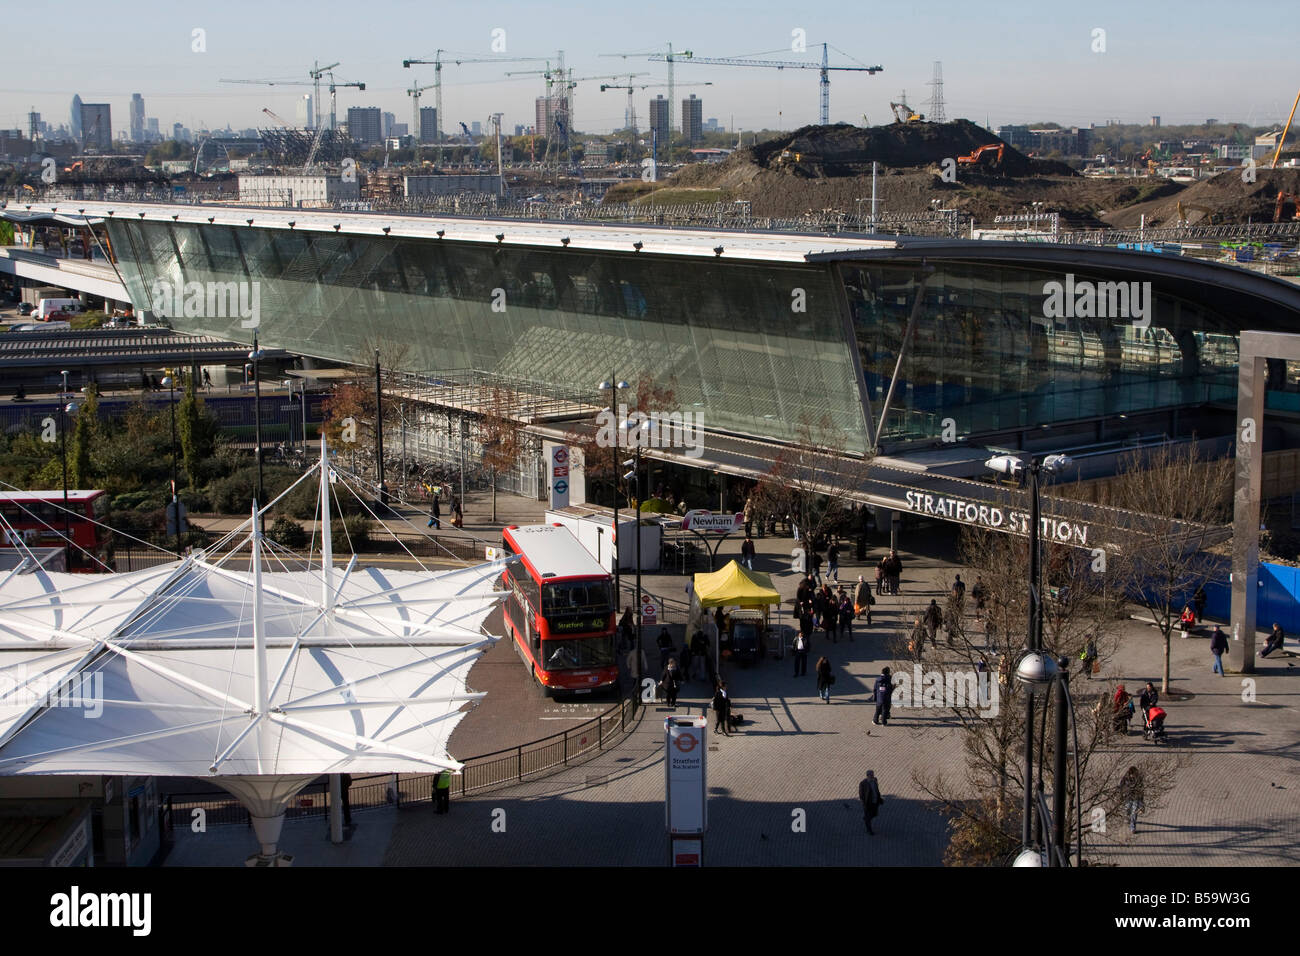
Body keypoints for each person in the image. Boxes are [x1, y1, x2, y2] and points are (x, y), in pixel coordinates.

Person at [1119, 766, 1144, 834]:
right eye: (1133, 774)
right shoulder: (1125, 778)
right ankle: (1128, 819)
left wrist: (1141, 802)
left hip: (1136, 798)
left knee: (1134, 812)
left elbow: (1141, 789)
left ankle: (1132, 827)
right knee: (1127, 810)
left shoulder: (1139, 779)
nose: (1133, 776)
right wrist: (1121, 795)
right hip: (1128, 797)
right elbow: (1121, 786)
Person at [858, 770, 884, 834]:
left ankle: (866, 818)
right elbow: (861, 795)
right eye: (871, 775)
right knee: (868, 817)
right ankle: (869, 830)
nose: (872, 775)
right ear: (867, 775)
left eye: (873, 774)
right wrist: (864, 803)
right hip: (868, 803)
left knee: (875, 814)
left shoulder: (875, 781)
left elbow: (877, 790)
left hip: (875, 801)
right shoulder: (863, 783)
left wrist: (879, 798)